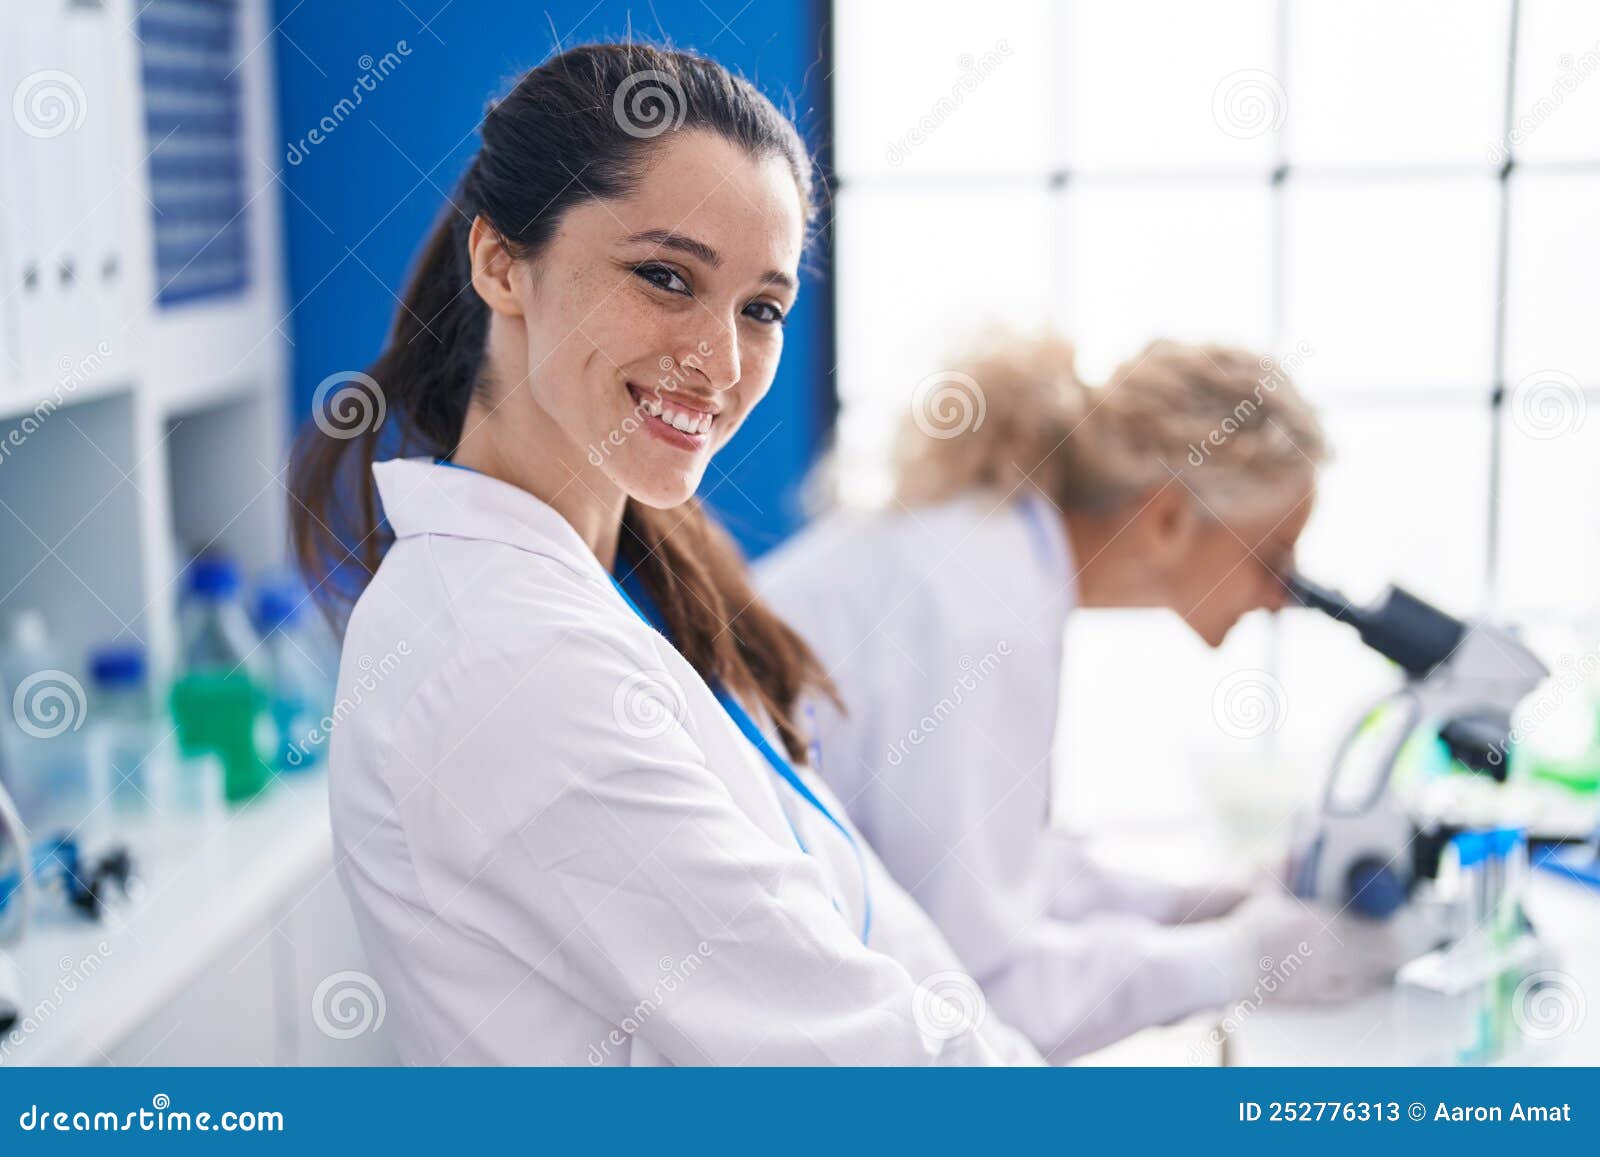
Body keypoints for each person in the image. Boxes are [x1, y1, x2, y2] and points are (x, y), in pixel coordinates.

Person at [288, 44, 1042, 1067]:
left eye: (760, 308)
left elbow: (879, 943)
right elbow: (856, 1061)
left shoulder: (620, 589)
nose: (720, 363)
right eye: (663, 277)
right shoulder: (507, 659)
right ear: (501, 262)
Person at [756, 333, 1330, 1060]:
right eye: (1273, 557)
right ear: (1167, 519)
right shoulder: (984, 616)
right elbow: (979, 993)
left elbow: (992, 866)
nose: (1281, 599)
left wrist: (1188, 904)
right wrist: (1237, 960)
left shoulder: (989, 552)